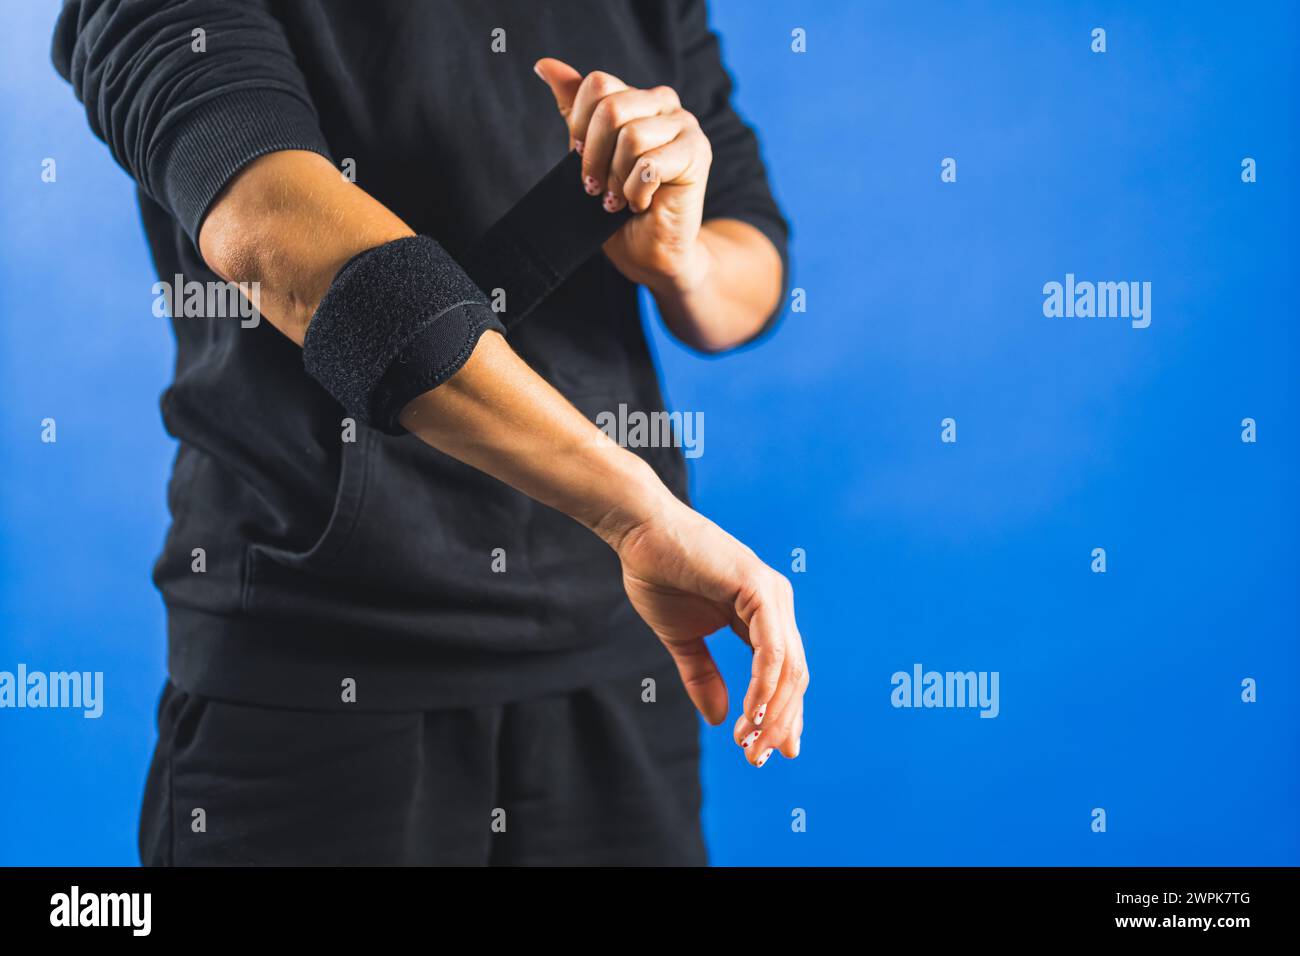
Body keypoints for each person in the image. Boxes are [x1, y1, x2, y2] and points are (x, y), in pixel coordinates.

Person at [53, 0, 809, 865]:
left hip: (620, 651)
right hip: (320, 669)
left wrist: (682, 259)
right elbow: (286, 241)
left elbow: (752, 256)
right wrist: (636, 512)